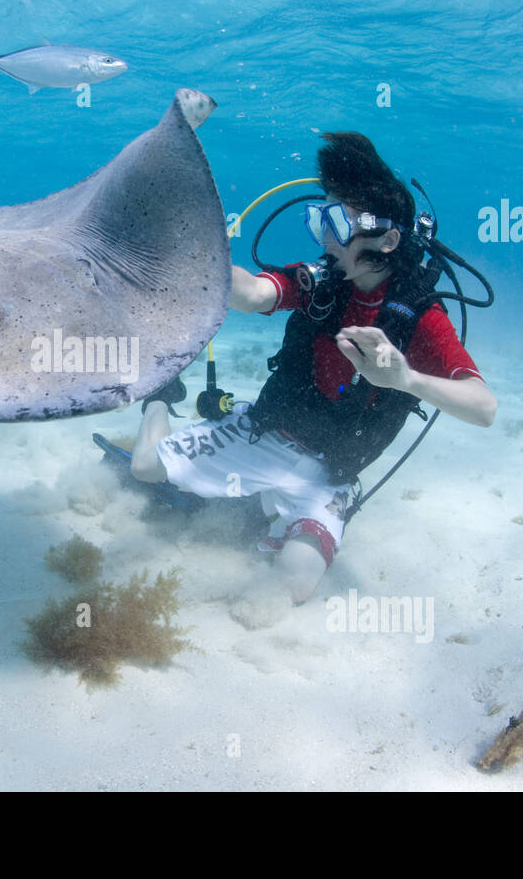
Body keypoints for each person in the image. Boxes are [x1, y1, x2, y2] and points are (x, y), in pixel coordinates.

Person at [129, 132, 496, 625]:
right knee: (144, 468)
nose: (324, 236)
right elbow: (256, 293)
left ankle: (276, 514)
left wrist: (407, 378)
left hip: (329, 474)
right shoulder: (320, 282)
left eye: (338, 222)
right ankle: (159, 399)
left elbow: (484, 407)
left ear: (387, 239)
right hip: (265, 433)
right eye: (320, 218)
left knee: (294, 583)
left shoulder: (419, 317)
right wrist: (199, 262)